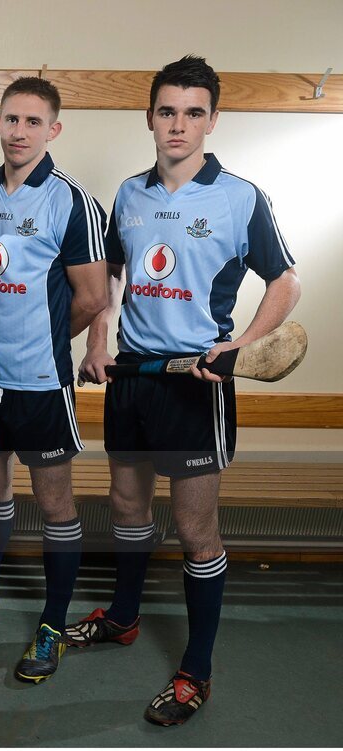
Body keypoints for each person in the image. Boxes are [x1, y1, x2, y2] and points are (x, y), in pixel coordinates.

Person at [65, 55, 300, 726]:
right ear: (150, 117)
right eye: (167, 110)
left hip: (195, 385)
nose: (179, 124)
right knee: (126, 504)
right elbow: (110, 275)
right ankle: (127, 616)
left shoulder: (240, 196)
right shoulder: (129, 195)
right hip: (133, 380)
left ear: (212, 120)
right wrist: (98, 339)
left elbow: (285, 282)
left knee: (196, 530)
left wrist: (238, 346)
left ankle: (196, 668)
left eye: (194, 112)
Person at [0, 77, 108, 683]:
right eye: (10, 120)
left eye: (33, 122)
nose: (19, 132)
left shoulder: (70, 200)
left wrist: (41, 340)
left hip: (41, 382)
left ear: (53, 130)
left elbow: (92, 298)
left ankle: (52, 625)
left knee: (55, 506)